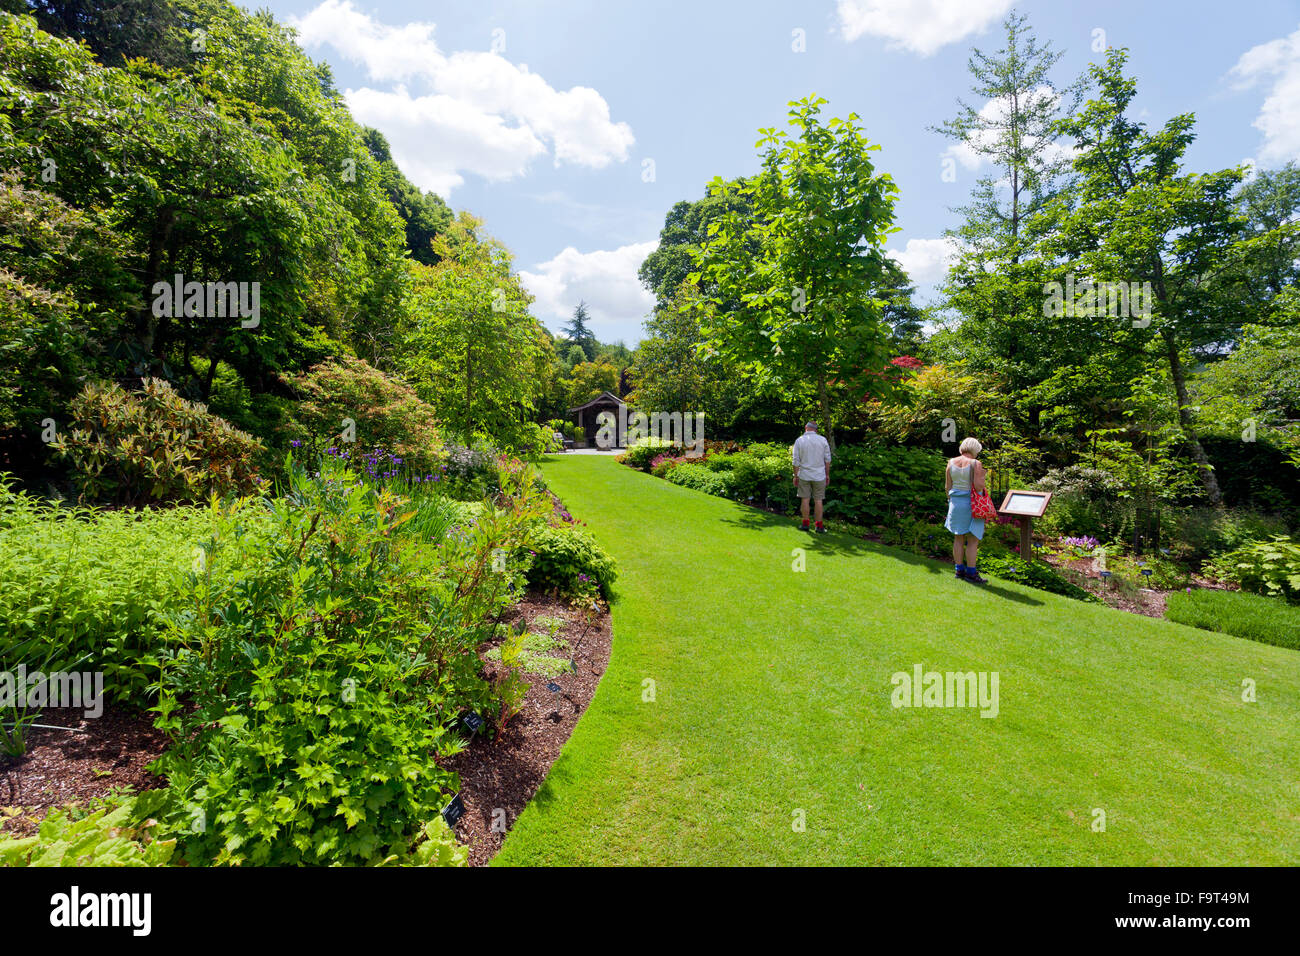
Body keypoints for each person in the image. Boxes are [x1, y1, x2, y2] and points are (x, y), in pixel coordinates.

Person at [945, 437, 987, 583]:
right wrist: (983, 476)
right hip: (972, 504)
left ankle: (959, 570)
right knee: (972, 539)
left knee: (958, 537)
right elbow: (979, 486)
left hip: (955, 504)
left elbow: (947, 487)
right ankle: (971, 573)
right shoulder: (976, 463)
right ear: (976, 450)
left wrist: (950, 500)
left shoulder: (950, 462)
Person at [792, 421, 832, 533]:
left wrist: (796, 476)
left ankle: (805, 524)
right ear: (816, 429)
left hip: (804, 474)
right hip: (819, 475)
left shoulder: (799, 440)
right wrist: (827, 474)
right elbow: (827, 460)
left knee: (805, 499)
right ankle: (819, 526)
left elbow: (795, 461)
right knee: (818, 500)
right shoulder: (822, 440)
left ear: (806, 428)